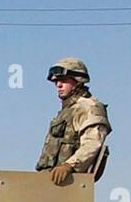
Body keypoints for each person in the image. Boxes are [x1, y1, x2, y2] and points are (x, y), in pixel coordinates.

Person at [35, 57, 111, 185]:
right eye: (56, 82)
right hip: (51, 180)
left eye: (63, 80)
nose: (58, 85)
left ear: (78, 81)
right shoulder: (68, 111)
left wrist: (69, 166)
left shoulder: (89, 107)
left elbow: (92, 143)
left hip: (70, 182)